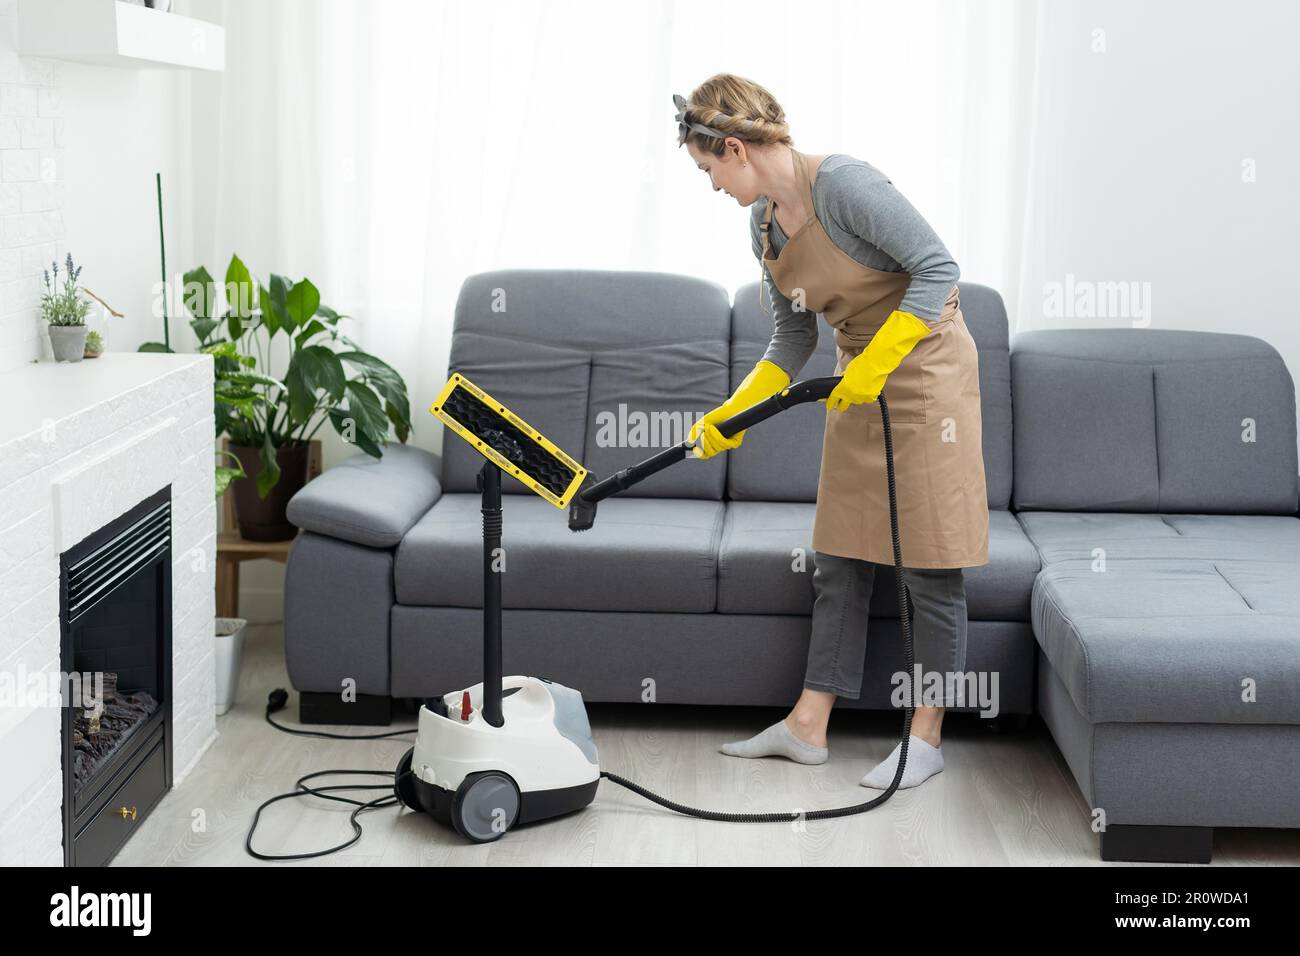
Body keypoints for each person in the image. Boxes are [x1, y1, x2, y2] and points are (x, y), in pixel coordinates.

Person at [676, 74, 990, 789]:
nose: (712, 186)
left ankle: (926, 737)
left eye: (709, 171)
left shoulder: (844, 185)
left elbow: (938, 268)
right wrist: (735, 411)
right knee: (841, 556)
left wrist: (881, 360)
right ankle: (808, 725)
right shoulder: (761, 224)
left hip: (927, 370)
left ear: (734, 148)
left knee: (929, 562)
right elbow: (791, 335)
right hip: (859, 379)